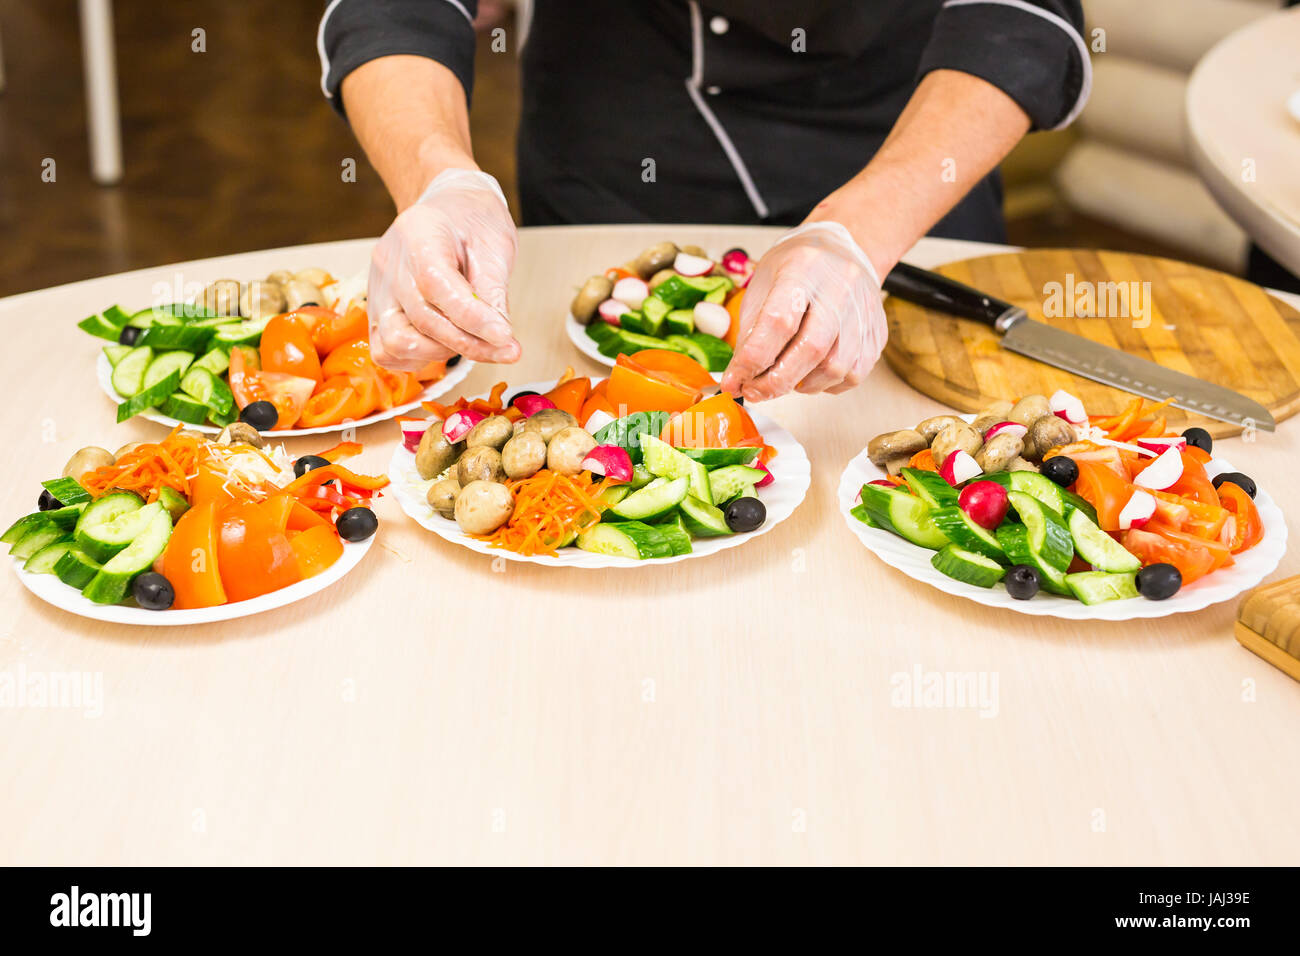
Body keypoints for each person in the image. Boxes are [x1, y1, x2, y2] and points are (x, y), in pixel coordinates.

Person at [319, 1, 1089, 401]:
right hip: (619, 130)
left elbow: (1019, 16)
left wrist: (859, 234)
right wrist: (438, 177)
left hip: (901, 146)